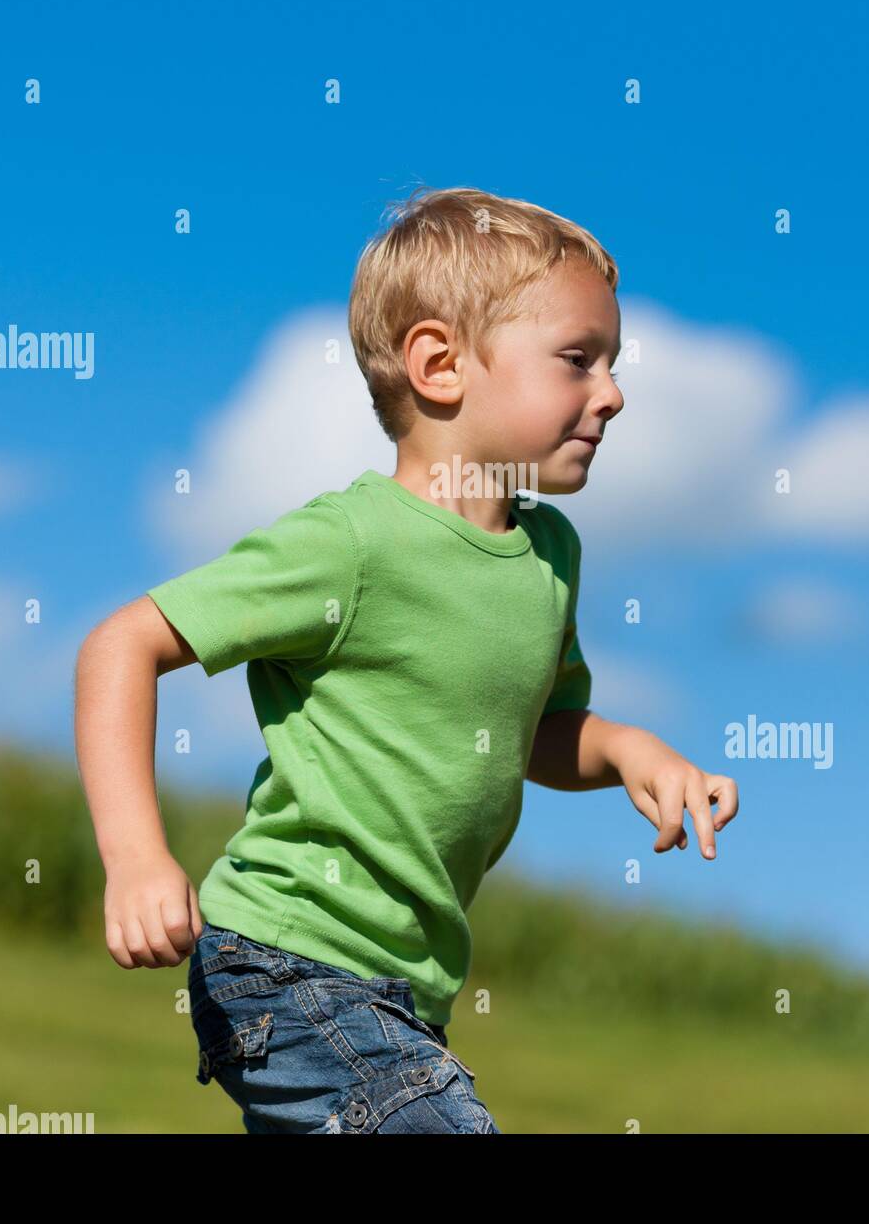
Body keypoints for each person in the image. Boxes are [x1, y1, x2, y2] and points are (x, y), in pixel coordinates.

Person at [73, 185, 739, 1133]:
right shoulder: (353, 543)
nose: (614, 394)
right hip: (287, 962)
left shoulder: (551, 560)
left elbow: (538, 732)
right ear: (439, 364)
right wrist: (136, 857)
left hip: (406, 997)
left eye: (614, 365)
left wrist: (633, 750)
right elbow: (120, 646)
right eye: (578, 361)